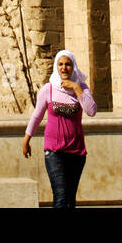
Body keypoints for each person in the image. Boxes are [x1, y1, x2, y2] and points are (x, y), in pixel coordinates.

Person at [23, 49, 97, 208]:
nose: (64, 68)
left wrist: (76, 88)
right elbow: (37, 116)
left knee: (70, 200)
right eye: (61, 64)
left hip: (76, 152)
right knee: (61, 197)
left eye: (68, 64)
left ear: (73, 67)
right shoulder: (48, 89)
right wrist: (27, 139)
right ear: (56, 67)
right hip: (54, 151)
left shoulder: (82, 88)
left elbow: (91, 111)